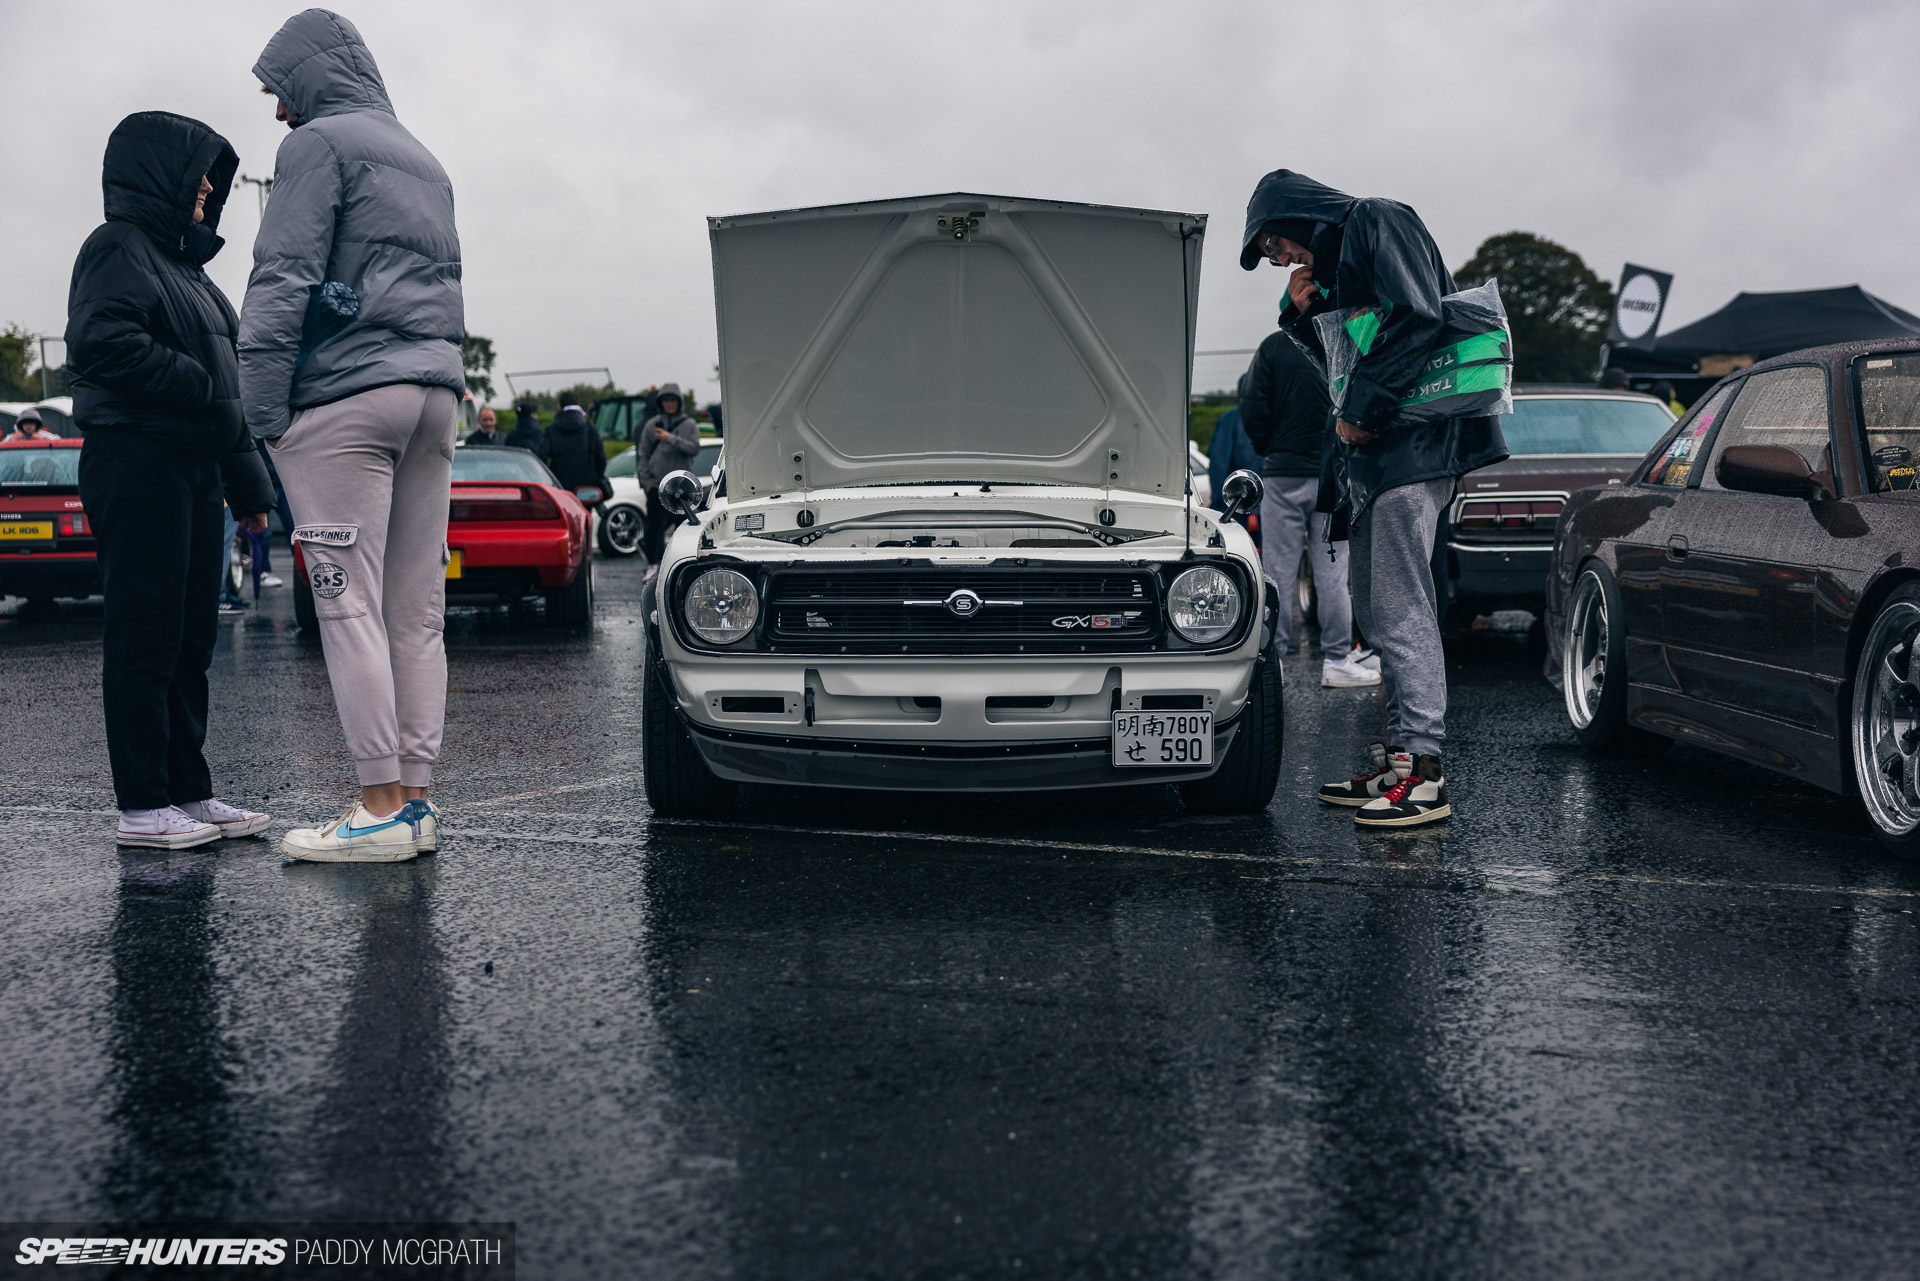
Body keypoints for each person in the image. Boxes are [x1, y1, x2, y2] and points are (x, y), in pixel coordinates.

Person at [239, 9, 464, 862]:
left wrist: (266, 419)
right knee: (416, 611)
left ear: (308, 79)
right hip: (432, 394)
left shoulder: (315, 147)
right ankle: (414, 804)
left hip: (344, 401)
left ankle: (374, 808)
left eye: (276, 91)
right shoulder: (426, 160)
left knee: (348, 605)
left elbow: (281, 277)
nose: (275, 112)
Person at [1240, 169, 1507, 828]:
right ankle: (1399, 766)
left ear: (1297, 215)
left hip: (1412, 453)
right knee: (1380, 612)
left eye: (1275, 243)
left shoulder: (1375, 219)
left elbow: (1417, 316)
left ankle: (1422, 776)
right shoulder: (1346, 250)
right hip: (1385, 460)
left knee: (1400, 611)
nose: (1279, 258)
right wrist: (1303, 314)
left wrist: (1363, 407)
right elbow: (1345, 357)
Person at [66, 111, 275, 849]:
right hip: (137, 458)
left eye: (214, 178)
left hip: (194, 470)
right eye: (199, 174)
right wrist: (190, 382)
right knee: (145, 634)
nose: (210, 188)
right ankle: (142, 804)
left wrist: (252, 493)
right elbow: (100, 342)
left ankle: (190, 791)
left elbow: (232, 398)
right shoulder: (116, 248)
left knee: (190, 639)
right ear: (163, 173)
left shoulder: (191, 273)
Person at [1239, 336, 1380, 688]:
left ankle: (1274, 661)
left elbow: (1252, 403)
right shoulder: (1344, 338)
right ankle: (1336, 660)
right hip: (1331, 473)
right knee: (1333, 573)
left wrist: (1268, 447)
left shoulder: (1274, 346)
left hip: (1283, 471)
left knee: (1277, 569)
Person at [632, 381, 699, 567]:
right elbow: (643, 453)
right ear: (660, 402)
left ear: (679, 402)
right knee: (654, 528)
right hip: (656, 486)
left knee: (684, 528)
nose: (669, 404)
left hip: (682, 487)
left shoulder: (689, 424)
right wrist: (646, 481)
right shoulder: (652, 425)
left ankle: (683, 565)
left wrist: (670, 438)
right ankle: (652, 566)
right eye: (666, 400)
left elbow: (693, 448)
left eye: (673, 400)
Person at [1205, 383, 1262, 511]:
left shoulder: (1231, 419)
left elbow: (1218, 463)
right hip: (1256, 504)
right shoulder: (1272, 418)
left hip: (1237, 503)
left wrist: (1219, 500)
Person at [542, 390, 610, 498]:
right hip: (586, 487)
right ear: (578, 405)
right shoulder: (590, 429)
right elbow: (601, 459)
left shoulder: (550, 431)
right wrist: (595, 476)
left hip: (560, 486)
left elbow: (542, 459)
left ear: (559, 407)